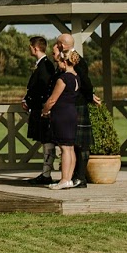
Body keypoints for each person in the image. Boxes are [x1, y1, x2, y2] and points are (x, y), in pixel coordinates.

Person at [56, 32, 98, 188]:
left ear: (63, 45)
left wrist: (89, 96)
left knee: (80, 143)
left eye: (58, 43)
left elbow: (86, 83)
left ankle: (80, 177)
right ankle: (74, 176)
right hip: (74, 104)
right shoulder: (67, 59)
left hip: (77, 103)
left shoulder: (77, 60)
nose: (57, 46)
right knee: (72, 143)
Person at [41, 47, 82, 190]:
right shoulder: (77, 77)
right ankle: (68, 178)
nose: (58, 64)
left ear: (64, 62)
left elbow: (52, 99)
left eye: (59, 61)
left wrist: (44, 110)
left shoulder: (63, 79)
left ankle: (64, 179)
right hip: (71, 114)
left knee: (64, 148)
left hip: (62, 115)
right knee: (70, 148)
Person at [21, 36, 58, 185]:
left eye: (30, 46)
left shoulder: (45, 66)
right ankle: (45, 172)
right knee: (45, 141)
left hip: (43, 110)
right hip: (40, 108)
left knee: (47, 141)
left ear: (35, 48)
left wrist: (30, 101)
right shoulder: (43, 64)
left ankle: (46, 173)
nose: (29, 49)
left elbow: (43, 89)